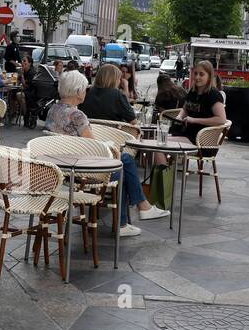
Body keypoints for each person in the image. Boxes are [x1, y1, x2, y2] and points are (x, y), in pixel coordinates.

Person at [45, 70, 166, 238]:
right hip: (83, 168)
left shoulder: (53, 110)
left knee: (123, 162)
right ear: (79, 91)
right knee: (124, 162)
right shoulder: (77, 115)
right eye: (85, 89)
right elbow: (94, 146)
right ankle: (134, 213)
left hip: (61, 166)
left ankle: (135, 213)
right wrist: (110, 147)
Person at [169, 61, 227, 142]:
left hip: (200, 140)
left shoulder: (213, 95)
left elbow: (221, 120)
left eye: (201, 74)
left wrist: (194, 120)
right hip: (185, 134)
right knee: (156, 140)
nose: (197, 77)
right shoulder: (193, 92)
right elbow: (185, 109)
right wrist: (180, 116)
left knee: (160, 144)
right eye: (195, 73)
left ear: (209, 76)